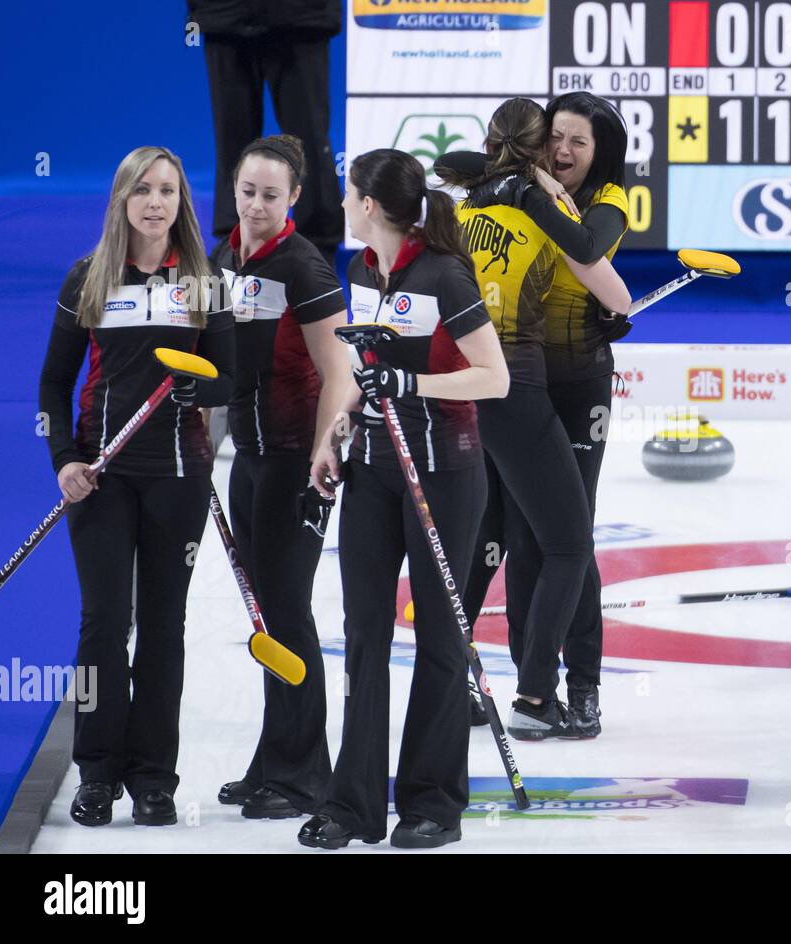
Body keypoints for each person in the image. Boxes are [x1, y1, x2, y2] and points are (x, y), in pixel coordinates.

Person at [298, 148, 509, 850]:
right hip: (374, 470)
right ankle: (352, 803)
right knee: (364, 637)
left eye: (346, 191)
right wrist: (335, 431)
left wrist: (412, 387)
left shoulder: (444, 274)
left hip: (445, 472)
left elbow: (493, 377)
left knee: (440, 642)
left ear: (366, 204)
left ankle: (432, 803)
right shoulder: (361, 271)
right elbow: (364, 366)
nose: (342, 201)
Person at [38, 146, 235, 827]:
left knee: (161, 629)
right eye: (144, 190)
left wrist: (204, 384)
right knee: (102, 627)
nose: (157, 203)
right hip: (102, 478)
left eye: (170, 192)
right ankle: (97, 773)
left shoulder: (205, 283)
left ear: (183, 203)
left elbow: (235, 378)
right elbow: (53, 384)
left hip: (178, 478)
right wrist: (65, 459)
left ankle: (154, 777)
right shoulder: (87, 277)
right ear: (122, 198)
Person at [435, 97, 631, 741]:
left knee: (570, 534)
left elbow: (587, 247)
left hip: (575, 385)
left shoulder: (604, 203)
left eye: (579, 141)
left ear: (601, 153)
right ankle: (531, 685)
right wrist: (520, 182)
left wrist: (526, 187)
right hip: (522, 380)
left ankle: (580, 684)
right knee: (523, 537)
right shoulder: (519, 194)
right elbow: (461, 162)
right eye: (555, 138)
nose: (565, 150)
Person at [209, 135, 350, 820]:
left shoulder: (304, 266)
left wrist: (325, 460)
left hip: (298, 462)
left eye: (271, 195)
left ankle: (304, 777)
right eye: (248, 192)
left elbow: (341, 376)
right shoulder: (223, 258)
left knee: (288, 611)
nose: (257, 206)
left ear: (294, 197)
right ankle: (276, 758)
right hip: (251, 460)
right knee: (265, 612)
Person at [186, 0, 345, 264]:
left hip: (300, 16)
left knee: (310, 141)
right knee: (232, 141)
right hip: (224, 15)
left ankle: (318, 248)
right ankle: (234, 240)